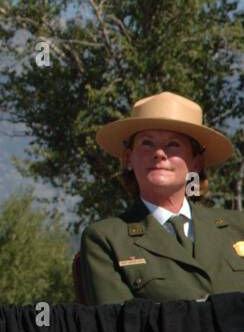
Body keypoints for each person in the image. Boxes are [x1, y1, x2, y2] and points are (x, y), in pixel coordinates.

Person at [79, 91, 244, 304]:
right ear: (128, 159)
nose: (159, 153)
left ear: (196, 162)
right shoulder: (106, 239)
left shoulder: (238, 227)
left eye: (173, 145)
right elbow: (119, 329)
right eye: (147, 143)